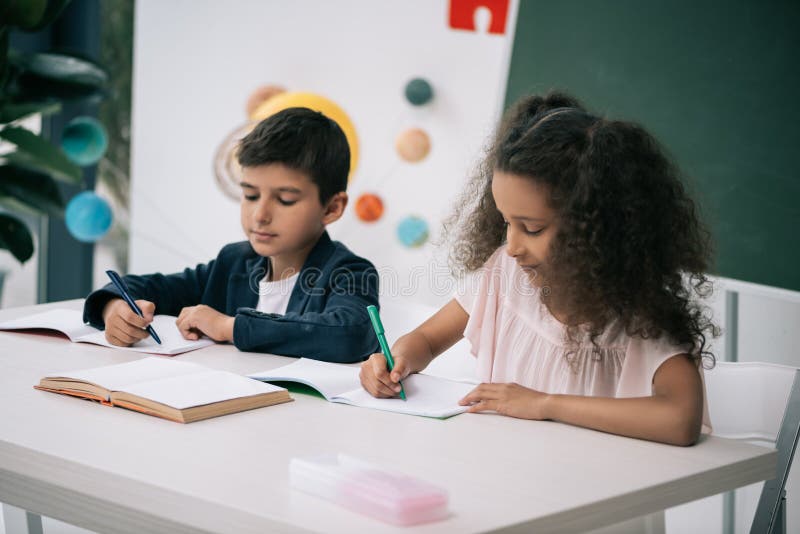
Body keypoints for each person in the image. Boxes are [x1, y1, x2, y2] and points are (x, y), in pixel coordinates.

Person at [360, 92, 718, 445]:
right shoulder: (505, 274)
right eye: (505, 223)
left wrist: (544, 404)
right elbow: (425, 340)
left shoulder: (637, 315)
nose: (512, 247)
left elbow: (680, 419)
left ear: (597, 229)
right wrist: (398, 360)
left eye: (531, 228)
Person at [84, 107, 379, 362]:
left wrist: (230, 327)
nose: (260, 215)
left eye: (285, 200)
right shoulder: (234, 262)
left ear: (332, 207)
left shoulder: (348, 272)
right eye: (250, 195)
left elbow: (349, 333)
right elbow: (148, 286)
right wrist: (114, 308)